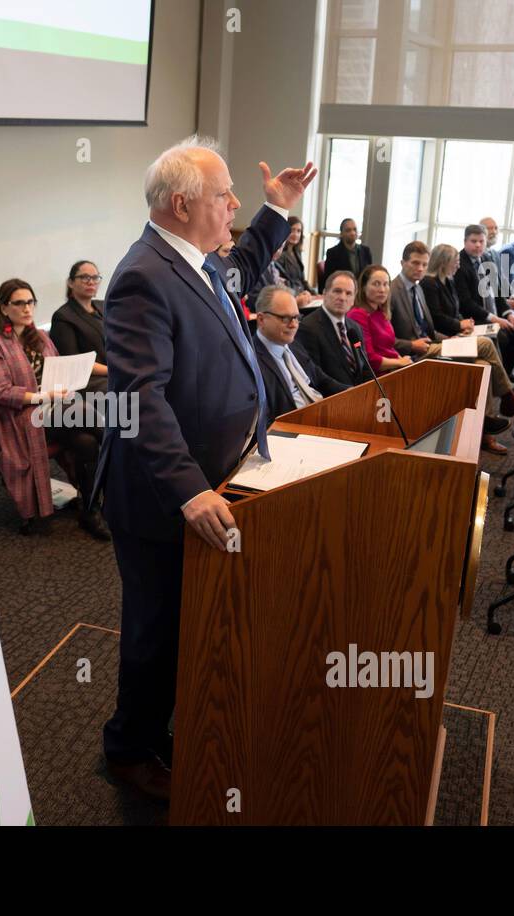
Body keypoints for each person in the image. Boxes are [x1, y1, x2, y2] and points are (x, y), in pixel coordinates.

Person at [95, 136, 316, 801]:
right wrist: (190, 490)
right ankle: (130, 750)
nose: (234, 204)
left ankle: (167, 728)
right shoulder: (143, 275)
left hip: (217, 475)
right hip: (162, 496)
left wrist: (279, 209)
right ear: (185, 203)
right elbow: (139, 400)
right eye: (226, 196)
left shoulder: (198, 260)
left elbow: (246, 264)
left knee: (191, 623)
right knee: (155, 631)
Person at [0, 279, 110, 540]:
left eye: (30, 302)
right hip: (20, 414)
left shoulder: (39, 338)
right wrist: (41, 396)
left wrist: (64, 383)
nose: (27, 308)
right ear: (4, 308)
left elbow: (57, 368)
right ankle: (121, 461)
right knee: (85, 414)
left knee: (86, 442)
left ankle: (91, 510)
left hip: (52, 409)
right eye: (19, 303)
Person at [388, 241, 514, 451]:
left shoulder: (416, 288)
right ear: (403, 263)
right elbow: (387, 339)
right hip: (416, 354)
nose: (419, 268)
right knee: (484, 343)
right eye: (415, 263)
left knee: (483, 364)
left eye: (423, 264)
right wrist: (411, 344)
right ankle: (508, 397)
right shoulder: (394, 289)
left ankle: (485, 429)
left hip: (434, 344)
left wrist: (449, 339)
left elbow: (428, 329)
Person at [252, 284, 348, 423]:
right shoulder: (251, 359)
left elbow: (321, 379)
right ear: (261, 319)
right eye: (285, 319)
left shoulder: (294, 344)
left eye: (296, 317)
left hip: (322, 414)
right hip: (295, 428)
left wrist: (357, 393)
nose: (294, 325)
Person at [454, 224, 514, 373]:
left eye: (481, 241)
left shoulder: (487, 258)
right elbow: (466, 303)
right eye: (473, 241)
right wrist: (495, 319)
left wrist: (509, 313)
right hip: (476, 317)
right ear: (465, 241)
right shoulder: (460, 264)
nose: (478, 245)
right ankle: (502, 376)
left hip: (495, 313)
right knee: (505, 336)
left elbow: (497, 291)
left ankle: (506, 370)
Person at [298, 270, 375, 388]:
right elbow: (315, 377)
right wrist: (350, 393)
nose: (342, 298)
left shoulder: (355, 328)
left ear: (354, 299)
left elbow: (364, 367)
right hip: (331, 401)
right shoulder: (308, 327)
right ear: (324, 293)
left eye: (348, 293)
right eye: (337, 291)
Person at [49, 260, 109, 394]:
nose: (91, 282)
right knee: (124, 391)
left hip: (114, 370)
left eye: (95, 277)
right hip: (89, 380)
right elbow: (73, 361)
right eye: (84, 277)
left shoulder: (104, 305)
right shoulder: (62, 316)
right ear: (70, 282)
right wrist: (112, 370)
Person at [348, 265, 413, 376]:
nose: (382, 290)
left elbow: (389, 347)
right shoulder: (357, 315)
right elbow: (370, 359)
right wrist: (400, 362)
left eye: (385, 284)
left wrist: (403, 360)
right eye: (376, 284)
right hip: (377, 376)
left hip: (393, 369)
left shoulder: (380, 311)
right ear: (363, 287)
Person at [421, 243, 474, 336]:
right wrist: (459, 325)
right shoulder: (428, 284)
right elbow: (436, 317)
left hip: (454, 331)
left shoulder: (448, 280)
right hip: (441, 335)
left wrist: (465, 324)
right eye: (455, 262)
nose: (458, 266)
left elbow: (455, 311)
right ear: (443, 263)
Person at [322, 217, 372, 284]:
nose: (353, 233)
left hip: (362, 290)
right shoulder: (333, 253)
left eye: (355, 229)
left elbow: (370, 275)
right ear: (341, 233)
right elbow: (329, 279)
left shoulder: (366, 251)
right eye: (348, 230)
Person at [277, 215, 315, 295]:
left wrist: (313, 293)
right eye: (292, 230)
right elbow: (284, 283)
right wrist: (300, 294)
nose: (295, 234)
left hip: (301, 293)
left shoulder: (297, 253)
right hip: (290, 294)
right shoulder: (279, 255)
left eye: (298, 231)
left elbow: (302, 280)